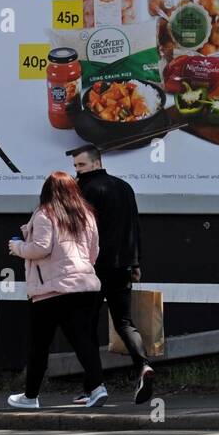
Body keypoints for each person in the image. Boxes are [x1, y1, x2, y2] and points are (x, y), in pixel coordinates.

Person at [6, 170, 108, 410]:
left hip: (51, 290)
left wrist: (18, 247)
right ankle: (97, 388)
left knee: (40, 345)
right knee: (84, 341)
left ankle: (30, 397)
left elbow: (40, 248)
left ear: (47, 192)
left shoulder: (45, 214)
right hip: (85, 286)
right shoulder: (87, 215)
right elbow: (94, 252)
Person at [71, 144, 154, 404]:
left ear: (96, 163)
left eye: (81, 165)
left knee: (86, 326)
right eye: (75, 166)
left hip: (93, 268)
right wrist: (136, 263)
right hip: (122, 266)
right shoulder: (124, 187)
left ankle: (94, 386)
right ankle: (143, 366)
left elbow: (79, 230)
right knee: (124, 323)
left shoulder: (84, 190)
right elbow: (134, 227)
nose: (77, 171)